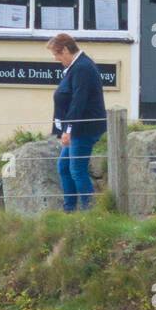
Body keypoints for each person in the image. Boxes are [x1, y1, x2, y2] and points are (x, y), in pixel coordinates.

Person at [47, 33, 107, 212]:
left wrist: (68, 130)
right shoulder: (77, 67)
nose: (56, 59)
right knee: (64, 166)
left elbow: (78, 101)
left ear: (65, 50)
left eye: (57, 55)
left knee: (77, 169)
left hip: (83, 129)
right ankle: (70, 209)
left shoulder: (82, 68)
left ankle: (89, 211)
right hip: (77, 128)